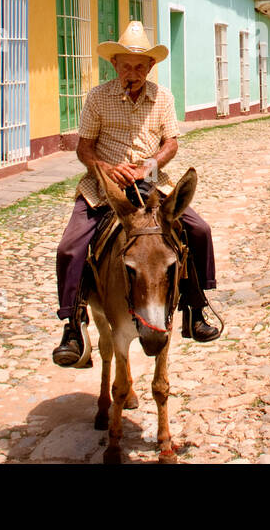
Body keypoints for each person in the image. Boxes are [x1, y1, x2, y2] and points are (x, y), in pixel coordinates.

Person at [53, 21, 220, 367]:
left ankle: (195, 308)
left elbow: (171, 143)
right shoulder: (98, 98)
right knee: (70, 247)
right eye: (126, 65)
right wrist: (104, 167)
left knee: (199, 230)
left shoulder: (162, 98)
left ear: (150, 67)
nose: (133, 72)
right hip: (105, 188)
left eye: (140, 65)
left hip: (153, 184)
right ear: (114, 65)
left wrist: (149, 167)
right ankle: (73, 325)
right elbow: (84, 148)